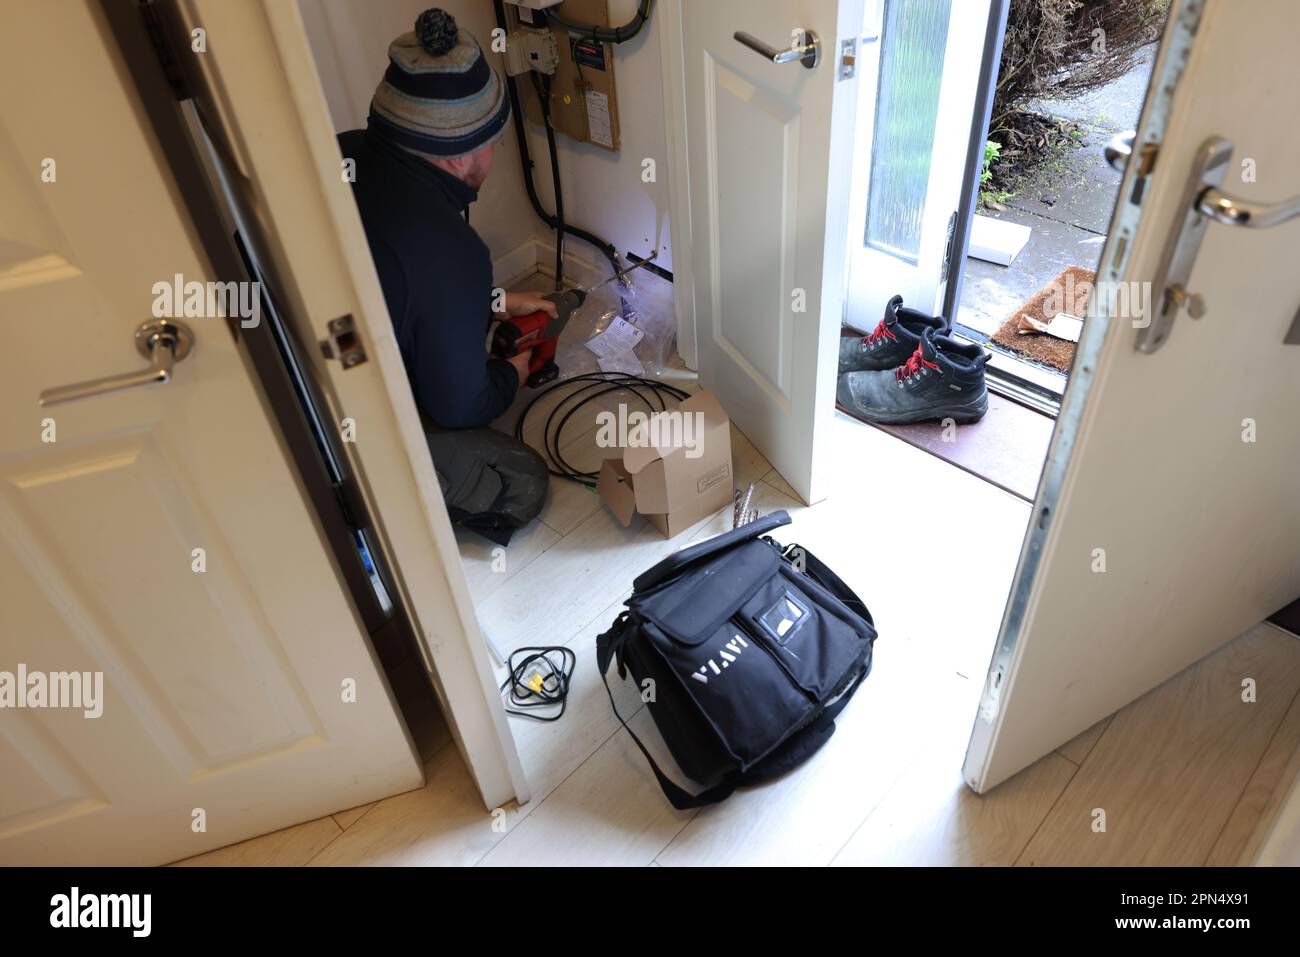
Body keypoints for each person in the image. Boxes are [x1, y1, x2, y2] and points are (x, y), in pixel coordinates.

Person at [339, 7, 550, 543]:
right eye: (493, 140)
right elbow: (461, 407)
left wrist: (490, 300)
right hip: (329, 421)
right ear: (460, 155)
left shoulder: (340, 152)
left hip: (293, 352)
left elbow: (401, 286)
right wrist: (512, 373)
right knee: (519, 480)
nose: (495, 153)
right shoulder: (450, 251)